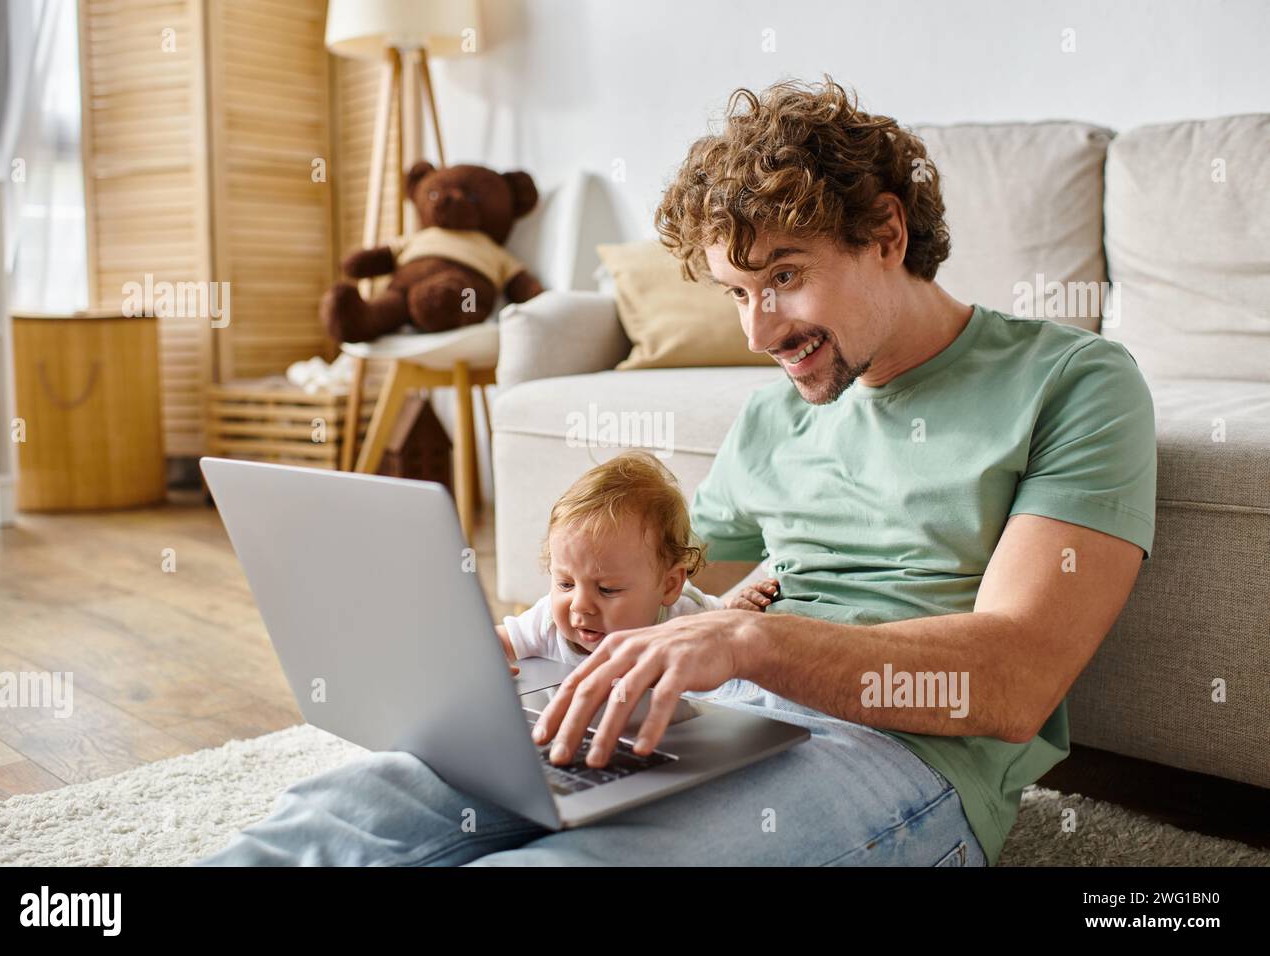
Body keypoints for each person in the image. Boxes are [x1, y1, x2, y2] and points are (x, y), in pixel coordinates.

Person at [195, 74, 1154, 867]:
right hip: (724, 718)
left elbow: (1016, 677)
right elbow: (667, 586)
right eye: (738, 291)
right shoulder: (782, 409)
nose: (759, 331)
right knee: (342, 818)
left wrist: (749, 647)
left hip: (901, 762)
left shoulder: (1072, 384)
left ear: (888, 236)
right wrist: (522, 641)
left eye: (783, 275)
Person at [493, 449, 780, 674]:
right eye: (565, 584)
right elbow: (494, 642)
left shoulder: (685, 618)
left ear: (669, 586)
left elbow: (725, 623)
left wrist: (739, 608)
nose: (579, 605)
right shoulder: (547, 624)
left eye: (607, 589)